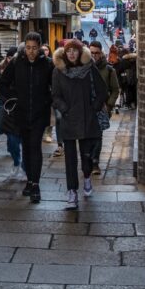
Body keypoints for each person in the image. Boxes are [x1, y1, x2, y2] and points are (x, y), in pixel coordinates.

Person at [51, 39, 108, 210]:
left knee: (86, 156)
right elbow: (55, 95)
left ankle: (88, 178)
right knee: (69, 159)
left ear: (80, 52)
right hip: (69, 120)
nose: (72, 54)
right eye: (69, 51)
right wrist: (64, 108)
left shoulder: (90, 68)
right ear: (64, 53)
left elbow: (102, 90)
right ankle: (72, 192)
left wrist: (94, 108)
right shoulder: (58, 71)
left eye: (75, 51)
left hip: (87, 119)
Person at [0, 31, 53, 203]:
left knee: (35, 147)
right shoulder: (16, 63)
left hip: (39, 114)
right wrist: (12, 99)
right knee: (27, 148)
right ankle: (29, 181)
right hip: (21, 113)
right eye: (28, 48)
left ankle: (35, 185)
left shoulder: (48, 64)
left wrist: (46, 102)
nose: (31, 51)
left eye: (34, 48)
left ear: (40, 48)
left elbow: (55, 87)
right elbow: (2, 83)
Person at [87, 40, 119, 176]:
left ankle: (95, 162)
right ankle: (88, 159)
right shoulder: (84, 67)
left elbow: (115, 90)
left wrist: (109, 105)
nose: (94, 55)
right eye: (91, 53)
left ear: (101, 53)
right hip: (86, 108)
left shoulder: (109, 70)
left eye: (96, 53)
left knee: (98, 135)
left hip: (102, 109)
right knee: (87, 136)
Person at [0, 48, 25, 180]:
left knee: (28, 144)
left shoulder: (40, 65)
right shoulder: (14, 64)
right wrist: (9, 99)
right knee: (13, 141)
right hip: (13, 110)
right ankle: (16, 161)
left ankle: (25, 168)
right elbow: (1, 84)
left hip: (30, 111)